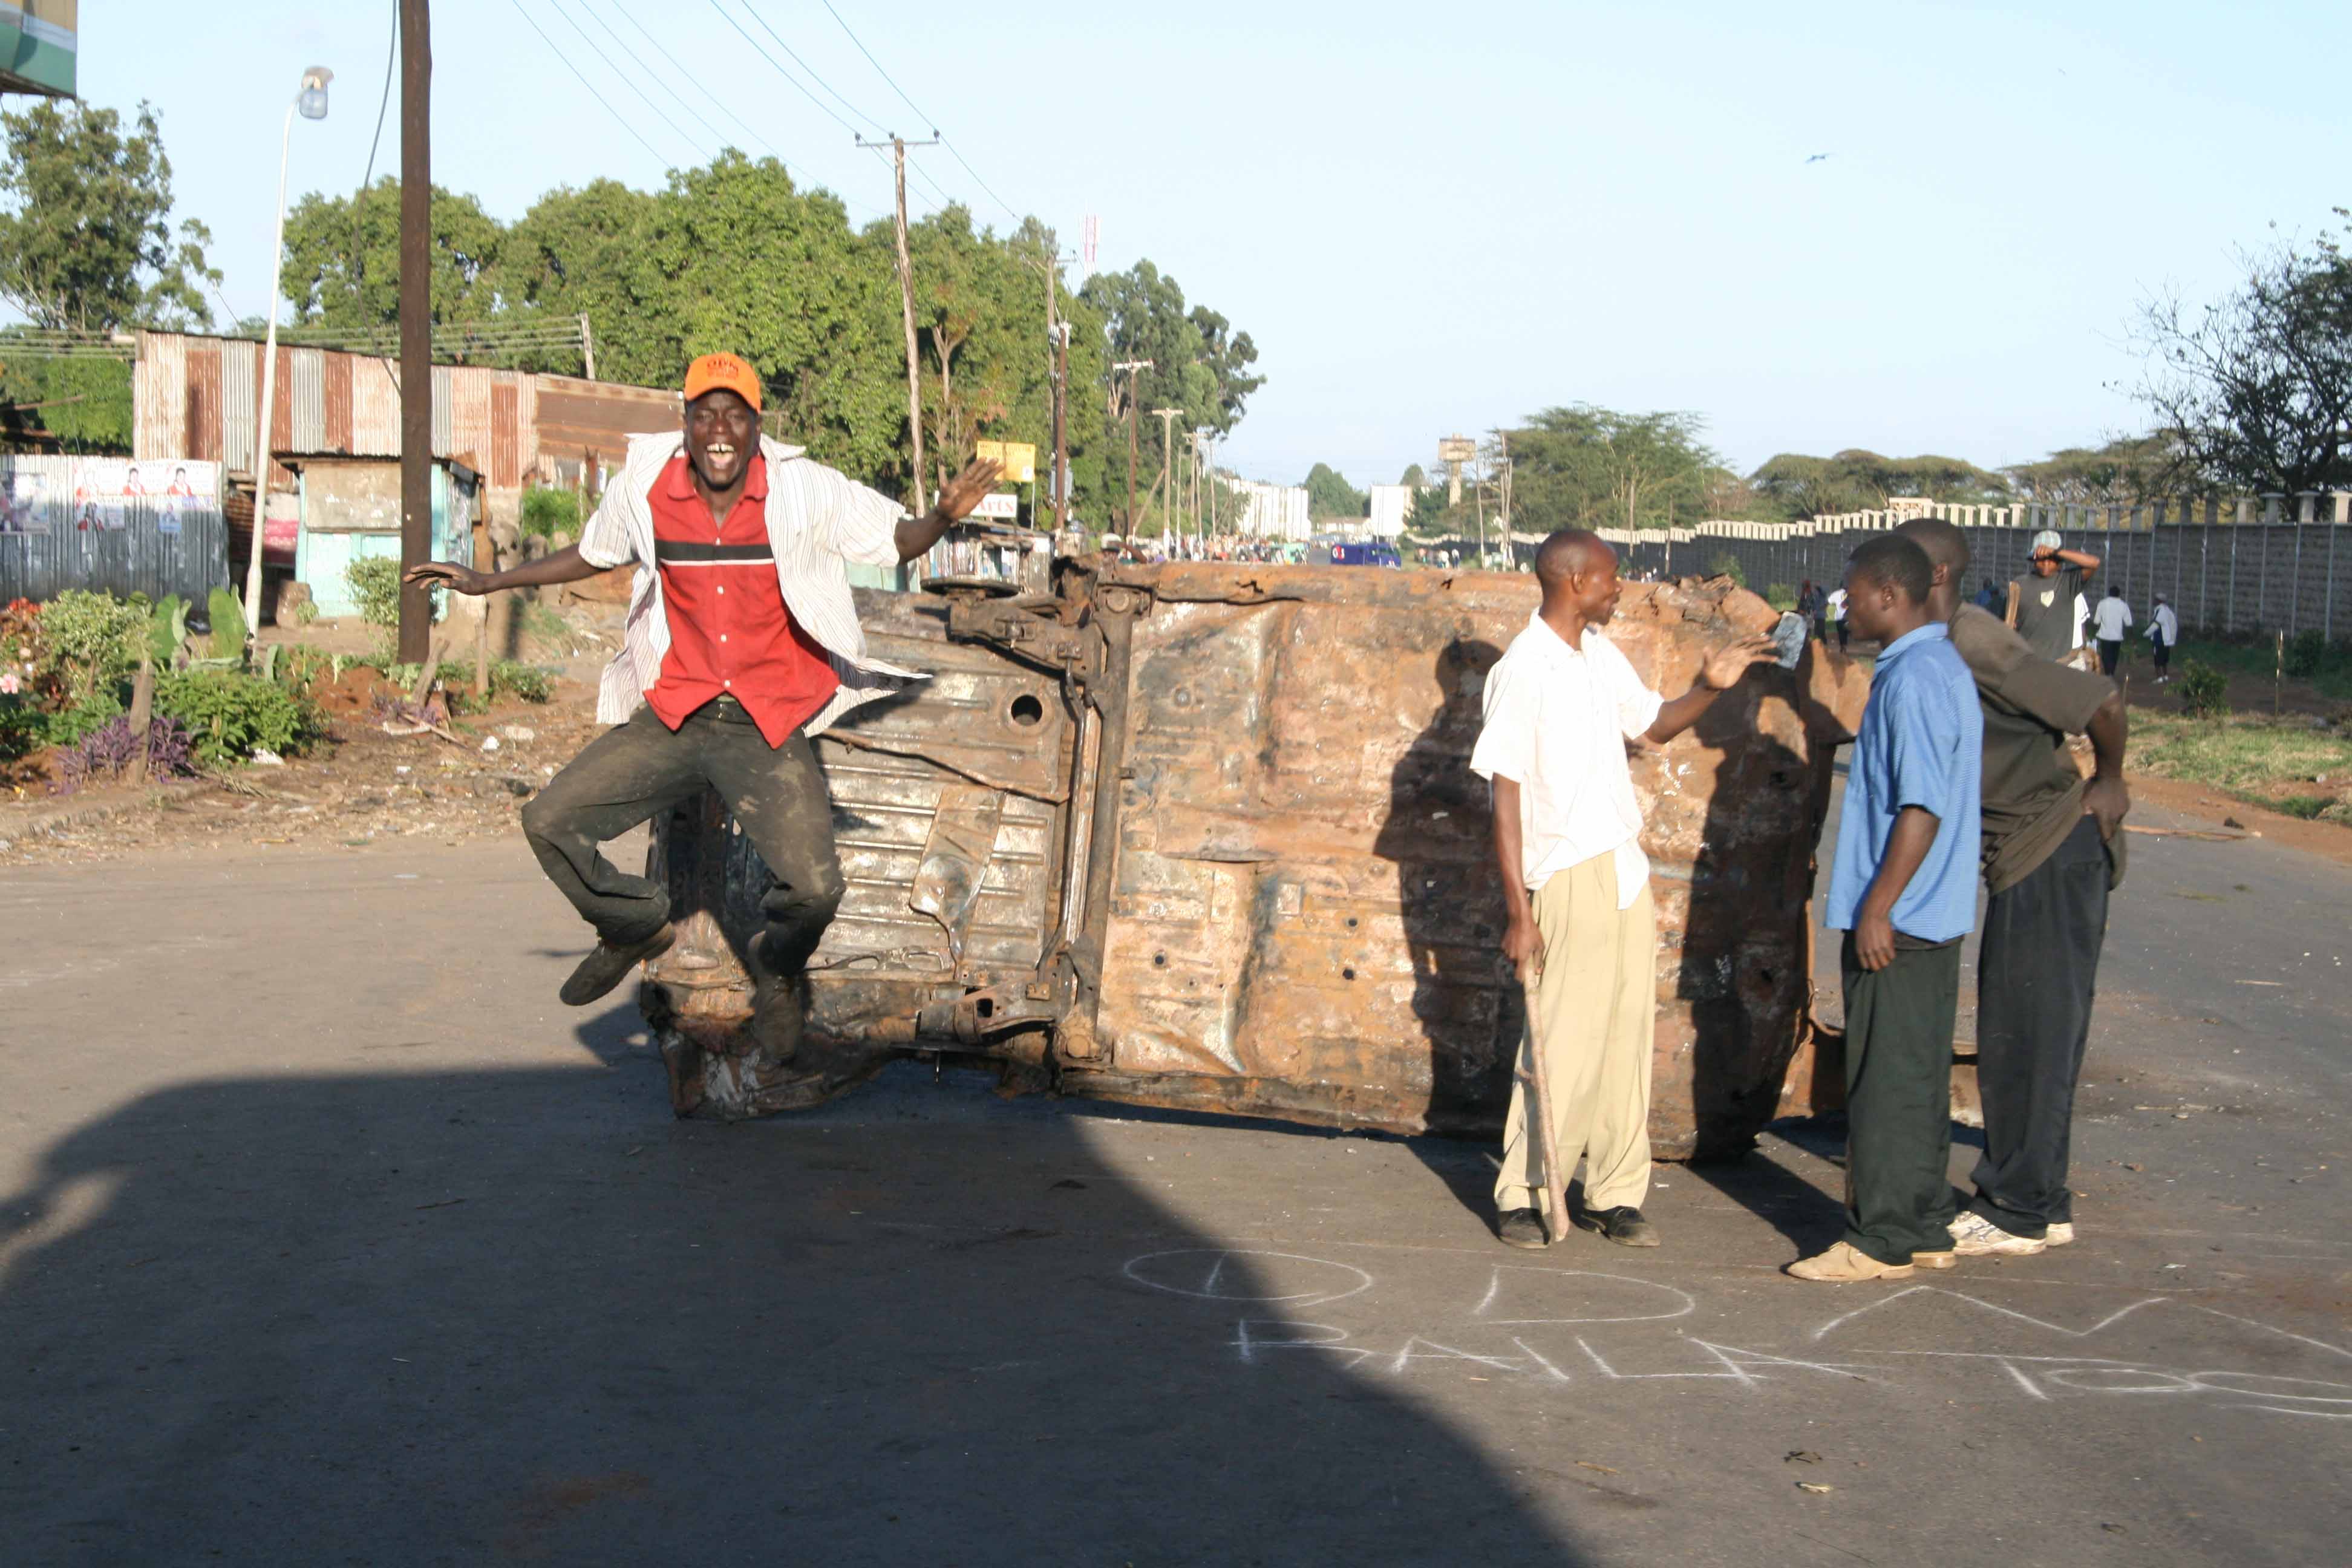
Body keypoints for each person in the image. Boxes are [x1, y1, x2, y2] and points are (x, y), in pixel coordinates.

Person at [405, 351, 1002, 1047]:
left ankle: (778, 972)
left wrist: (940, 516)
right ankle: (632, 923)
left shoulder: (801, 491)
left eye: (736, 416)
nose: (720, 429)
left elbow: (897, 540)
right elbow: (596, 553)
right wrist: (489, 582)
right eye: (705, 414)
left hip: (764, 725)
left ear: (756, 426)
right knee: (549, 820)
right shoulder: (645, 488)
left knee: (817, 890)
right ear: (684, 421)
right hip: (677, 716)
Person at [1471, 529, 1775, 1251]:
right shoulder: (1524, 669)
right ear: (1574, 581)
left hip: (1622, 869)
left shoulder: (1597, 655)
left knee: (1623, 1039)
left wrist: (1709, 687)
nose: (1621, 588)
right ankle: (1525, 1192)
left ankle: (1613, 1193)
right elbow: (1504, 798)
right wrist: (1520, 912)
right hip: (1566, 876)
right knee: (1563, 1041)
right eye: (1611, 578)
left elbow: (1656, 725)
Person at [1899, 516, 2129, 1257]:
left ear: (1934, 574)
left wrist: (2112, 780)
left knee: (2031, 1039)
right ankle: (2037, 1198)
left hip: (2053, 847)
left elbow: (2100, 700)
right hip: (2022, 855)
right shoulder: (1933, 646)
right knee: (2018, 1033)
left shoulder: (1975, 641)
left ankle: (2022, 1209)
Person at [1788, 534, 1981, 1282]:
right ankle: (1925, 1220)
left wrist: (1878, 908)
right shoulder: (1931, 666)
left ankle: (1879, 1240)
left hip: (1901, 920)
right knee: (1918, 1073)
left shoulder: (1915, 679)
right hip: (1928, 915)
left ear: (1890, 595)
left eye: (1855, 592)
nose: (1848, 605)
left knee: (1883, 1082)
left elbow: (1921, 806)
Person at [2005, 530, 2102, 662]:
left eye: (2052, 559)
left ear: (2060, 561)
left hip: (2059, 664)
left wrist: (2055, 552)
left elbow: (2094, 563)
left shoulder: (2068, 582)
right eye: (2041, 559)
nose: (2046, 563)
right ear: (2033, 558)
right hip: (2026, 662)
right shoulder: (2019, 584)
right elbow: (2009, 623)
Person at [2090, 586, 2133, 677]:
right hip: (2117, 637)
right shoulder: (2124, 605)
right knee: (2114, 656)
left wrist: (2093, 632)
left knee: (2106, 656)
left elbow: (2097, 621)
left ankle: (2107, 673)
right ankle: (2111, 673)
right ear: (2119, 594)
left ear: (2109, 593)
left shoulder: (2102, 603)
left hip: (2105, 635)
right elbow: (2129, 623)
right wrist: (2131, 637)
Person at [2145, 592, 2178, 682]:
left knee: (2157, 659)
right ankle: (2166, 676)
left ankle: (2159, 677)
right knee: (2164, 659)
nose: (2153, 601)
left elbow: (2156, 624)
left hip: (2159, 639)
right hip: (2167, 640)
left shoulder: (2160, 611)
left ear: (2159, 601)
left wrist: (2146, 633)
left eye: (2155, 599)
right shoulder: (2169, 611)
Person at [1824, 583, 1850, 650]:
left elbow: (1828, 602)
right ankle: (1844, 645)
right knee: (1847, 632)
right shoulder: (1851, 593)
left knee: (1841, 632)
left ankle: (1843, 646)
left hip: (1839, 617)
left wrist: (1824, 611)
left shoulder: (1836, 594)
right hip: (1849, 617)